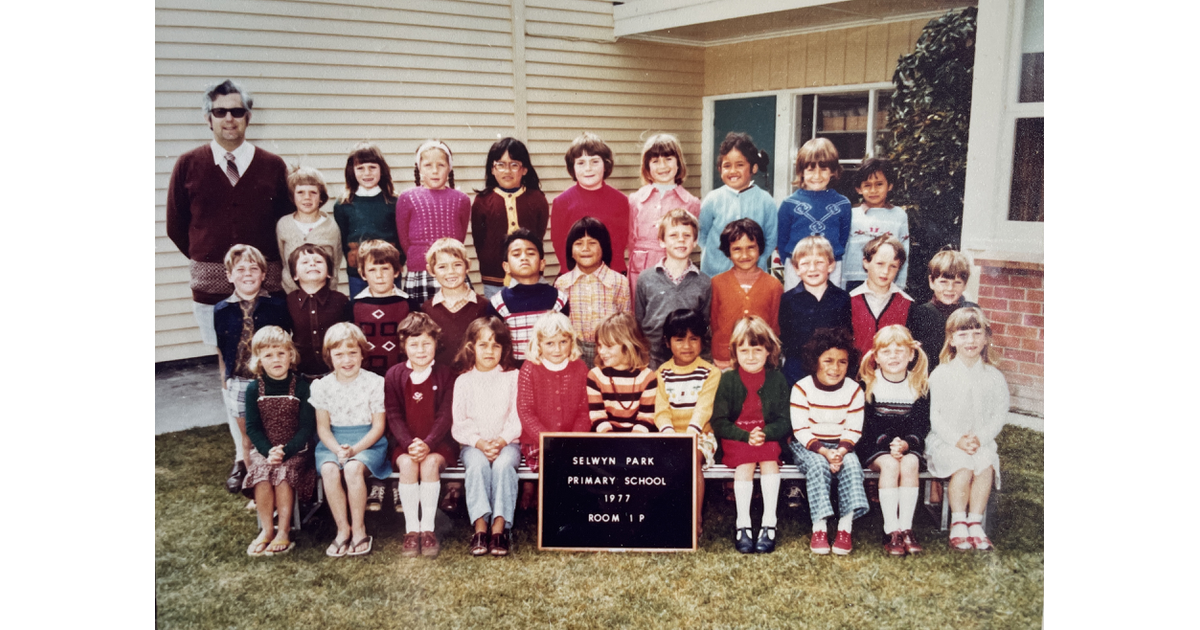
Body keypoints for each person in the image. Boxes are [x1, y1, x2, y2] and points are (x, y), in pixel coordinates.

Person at [167, 79, 291, 350]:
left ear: (248, 117)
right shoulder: (188, 164)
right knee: (225, 357)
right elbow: (175, 225)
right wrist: (208, 258)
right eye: (220, 111)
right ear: (208, 118)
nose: (229, 118)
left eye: (236, 111)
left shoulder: (272, 165)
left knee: (269, 353)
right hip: (209, 284)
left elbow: (287, 222)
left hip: (265, 284)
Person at [925, 307, 1008, 552]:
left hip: (980, 440)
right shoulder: (942, 374)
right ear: (952, 340)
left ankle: (975, 522)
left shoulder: (994, 377)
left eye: (976, 334)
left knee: (985, 463)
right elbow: (936, 417)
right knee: (963, 464)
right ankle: (959, 521)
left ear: (986, 338)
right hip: (946, 441)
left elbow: (999, 415)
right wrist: (957, 440)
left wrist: (980, 438)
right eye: (963, 335)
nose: (970, 341)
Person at [214, 244, 291, 495]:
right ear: (229, 275)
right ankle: (257, 491)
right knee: (248, 438)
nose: (247, 274)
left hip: (271, 380)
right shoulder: (221, 309)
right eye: (240, 269)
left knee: (276, 435)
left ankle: (282, 485)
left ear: (263, 274)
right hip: (238, 381)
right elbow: (222, 348)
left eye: (253, 268)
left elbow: (286, 343)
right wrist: (225, 378)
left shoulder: (277, 306)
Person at [709, 316, 789, 553]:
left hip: (766, 437)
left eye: (757, 349)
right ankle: (742, 524)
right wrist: (745, 436)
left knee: (769, 460)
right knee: (745, 464)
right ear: (734, 352)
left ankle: (769, 522)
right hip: (737, 437)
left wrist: (765, 433)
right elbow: (719, 421)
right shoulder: (728, 379)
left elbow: (784, 420)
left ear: (768, 351)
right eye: (744, 350)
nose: (751, 356)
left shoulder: (777, 379)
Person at [311, 323, 390, 557]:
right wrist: (337, 449)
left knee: (353, 469)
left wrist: (354, 450)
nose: (347, 360)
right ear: (329, 356)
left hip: (367, 442)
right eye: (339, 354)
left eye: (352, 353)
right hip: (333, 442)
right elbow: (323, 428)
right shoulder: (322, 386)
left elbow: (378, 427)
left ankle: (359, 528)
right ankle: (342, 529)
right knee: (329, 470)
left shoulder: (375, 383)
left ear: (362, 354)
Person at [384, 313, 459, 558]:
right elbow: (393, 414)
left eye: (427, 343)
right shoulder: (394, 375)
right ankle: (411, 530)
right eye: (414, 344)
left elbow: (446, 415)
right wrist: (408, 444)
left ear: (436, 343)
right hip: (405, 443)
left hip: (439, 443)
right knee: (407, 464)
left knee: (428, 464)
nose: (420, 350)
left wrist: (428, 443)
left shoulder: (446, 374)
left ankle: (428, 529)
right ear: (403, 345)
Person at [789, 328, 869, 556]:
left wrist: (840, 452)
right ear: (815, 361)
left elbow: (853, 428)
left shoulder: (854, 390)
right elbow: (801, 429)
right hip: (809, 445)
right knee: (818, 465)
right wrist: (825, 452)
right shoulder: (802, 388)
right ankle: (819, 528)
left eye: (842, 362)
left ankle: (845, 527)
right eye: (828, 361)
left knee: (852, 465)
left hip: (842, 445)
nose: (835, 368)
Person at [855, 325, 930, 556]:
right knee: (889, 464)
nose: (894, 356)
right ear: (876, 357)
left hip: (907, 444)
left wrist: (907, 443)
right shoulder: (869, 383)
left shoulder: (918, 384)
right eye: (886, 352)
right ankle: (891, 530)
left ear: (911, 354)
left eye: (900, 351)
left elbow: (921, 424)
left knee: (910, 463)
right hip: (874, 444)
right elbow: (866, 424)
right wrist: (889, 443)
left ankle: (906, 528)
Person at [241, 326, 316, 557]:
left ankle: (283, 530)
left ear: (290, 355)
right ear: (259, 359)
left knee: (283, 475)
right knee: (262, 474)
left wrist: (286, 451)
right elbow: (252, 427)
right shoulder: (254, 389)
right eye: (269, 355)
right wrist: (268, 451)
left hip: (296, 450)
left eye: (281, 353)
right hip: (265, 449)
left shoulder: (301, 386)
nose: (276, 360)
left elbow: (306, 427)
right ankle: (267, 530)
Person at [452, 316, 523, 557]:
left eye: (496, 345)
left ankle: (499, 529)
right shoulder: (463, 381)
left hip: (508, 443)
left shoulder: (513, 377)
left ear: (504, 348)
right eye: (483, 345)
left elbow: (517, 417)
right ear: (471, 347)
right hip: (474, 445)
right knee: (477, 466)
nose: (489, 351)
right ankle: (480, 528)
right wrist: (481, 444)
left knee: (503, 466)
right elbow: (459, 424)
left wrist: (501, 442)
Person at [654, 309, 720, 536]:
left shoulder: (710, 372)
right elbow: (661, 410)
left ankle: (695, 519)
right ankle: (668, 516)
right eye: (679, 339)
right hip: (670, 433)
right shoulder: (662, 373)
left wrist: (690, 433)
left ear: (702, 341)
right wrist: (669, 433)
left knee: (691, 458)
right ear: (667, 342)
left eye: (694, 338)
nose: (687, 345)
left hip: (701, 435)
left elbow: (704, 407)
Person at [516, 313, 592, 510]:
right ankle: (548, 504)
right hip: (538, 441)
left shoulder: (580, 367)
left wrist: (572, 439)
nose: (557, 349)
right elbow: (525, 411)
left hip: (571, 439)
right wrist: (549, 440)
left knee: (575, 462)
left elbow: (584, 412)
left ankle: (567, 506)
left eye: (563, 342)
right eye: (550, 343)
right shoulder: (530, 368)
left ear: (571, 342)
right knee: (554, 462)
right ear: (539, 344)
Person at [470, 138, 549, 299]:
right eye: (501, 164)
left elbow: (538, 236)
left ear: (524, 169)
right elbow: (479, 240)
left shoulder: (537, 199)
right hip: (495, 279)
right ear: (492, 169)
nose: (507, 171)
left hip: (530, 277)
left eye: (514, 165)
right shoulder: (482, 201)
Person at [634, 208, 712, 369]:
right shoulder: (646, 278)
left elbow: (704, 327)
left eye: (687, 235)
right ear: (662, 241)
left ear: (695, 241)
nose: (681, 240)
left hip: (688, 360)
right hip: (653, 359)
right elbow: (639, 322)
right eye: (673, 235)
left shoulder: (704, 282)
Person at [396, 139, 472, 303]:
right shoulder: (407, 198)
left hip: (452, 271)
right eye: (428, 165)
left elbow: (459, 237)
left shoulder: (461, 200)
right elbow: (404, 239)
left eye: (441, 165)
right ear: (419, 168)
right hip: (420, 271)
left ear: (449, 168)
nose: (435, 171)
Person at [553, 217, 631, 366]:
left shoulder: (619, 282)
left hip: (609, 351)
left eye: (592, 243)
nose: (585, 248)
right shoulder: (562, 283)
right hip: (574, 351)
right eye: (579, 243)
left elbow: (625, 323)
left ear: (604, 248)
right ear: (571, 251)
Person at [776, 138, 852, 290]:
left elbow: (842, 239)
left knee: (830, 302)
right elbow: (782, 240)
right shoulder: (789, 204)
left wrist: (832, 260)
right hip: (797, 267)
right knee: (796, 301)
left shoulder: (842, 204)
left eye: (823, 169)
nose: (817, 176)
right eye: (811, 170)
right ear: (801, 172)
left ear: (833, 171)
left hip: (831, 267)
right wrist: (793, 264)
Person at [698, 132, 776, 278]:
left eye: (740, 165)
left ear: (753, 168)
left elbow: (771, 238)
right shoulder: (713, 199)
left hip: (753, 275)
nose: (733, 171)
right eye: (727, 166)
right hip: (715, 274)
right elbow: (702, 235)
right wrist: (715, 259)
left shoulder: (765, 200)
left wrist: (756, 262)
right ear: (720, 169)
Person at [627, 133, 700, 289]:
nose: (662, 166)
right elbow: (631, 241)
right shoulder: (635, 200)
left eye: (668, 159)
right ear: (647, 166)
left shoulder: (690, 202)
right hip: (639, 271)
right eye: (655, 161)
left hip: (674, 269)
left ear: (678, 162)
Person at [550, 132, 630, 274]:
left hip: (612, 274)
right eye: (581, 163)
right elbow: (560, 246)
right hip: (575, 275)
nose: (588, 168)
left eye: (595, 162)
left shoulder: (621, 201)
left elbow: (620, 244)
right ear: (572, 167)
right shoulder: (561, 202)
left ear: (605, 165)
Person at [709, 218, 782, 370]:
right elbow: (714, 323)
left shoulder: (773, 285)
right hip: (725, 359)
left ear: (760, 248)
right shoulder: (716, 283)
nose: (745, 255)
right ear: (728, 252)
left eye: (751, 247)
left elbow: (774, 327)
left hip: (759, 361)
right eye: (737, 249)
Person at [487, 229, 569, 362]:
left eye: (530, 253)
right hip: (515, 371)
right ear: (506, 266)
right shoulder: (498, 303)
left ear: (542, 264)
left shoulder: (559, 300)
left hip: (551, 368)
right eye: (516, 254)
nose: (524, 257)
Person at [778, 235, 851, 386]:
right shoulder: (788, 299)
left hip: (831, 368)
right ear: (796, 268)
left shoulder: (842, 298)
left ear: (831, 265)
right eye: (805, 263)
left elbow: (846, 335)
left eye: (819, 262)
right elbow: (785, 337)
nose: (812, 269)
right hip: (797, 368)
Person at [333, 142, 402, 299]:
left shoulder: (394, 201)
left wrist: (396, 264)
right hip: (358, 275)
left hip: (388, 272)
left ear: (381, 169)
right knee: (361, 309)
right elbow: (343, 239)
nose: (367, 173)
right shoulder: (343, 204)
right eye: (360, 168)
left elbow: (401, 237)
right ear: (352, 171)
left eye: (372, 167)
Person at [419, 238, 491, 369]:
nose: (450, 271)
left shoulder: (484, 306)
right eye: (442, 267)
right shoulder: (426, 310)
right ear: (431, 270)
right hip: (440, 378)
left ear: (467, 266)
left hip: (474, 375)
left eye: (457, 265)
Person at [843, 157, 910, 291]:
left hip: (886, 279)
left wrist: (899, 286)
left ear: (889, 186)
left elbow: (904, 253)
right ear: (859, 189)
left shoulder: (899, 215)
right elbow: (844, 252)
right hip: (854, 280)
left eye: (879, 184)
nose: (873, 190)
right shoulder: (851, 215)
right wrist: (841, 286)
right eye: (867, 185)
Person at [285, 244, 350, 379]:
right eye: (305, 262)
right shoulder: (289, 301)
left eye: (319, 261)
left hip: (335, 374)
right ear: (295, 275)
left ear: (329, 273)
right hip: (300, 375)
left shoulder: (340, 300)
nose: (312, 264)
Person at [906, 249, 978, 369]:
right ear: (931, 281)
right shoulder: (920, 314)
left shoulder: (972, 312)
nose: (950, 288)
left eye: (957, 282)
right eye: (943, 282)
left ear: (965, 285)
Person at [351, 240, 414, 376]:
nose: (379, 275)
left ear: (396, 271)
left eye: (385, 268)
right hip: (365, 377)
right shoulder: (354, 306)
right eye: (372, 270)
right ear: (363, 274)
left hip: (401, 375)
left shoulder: (409, 304)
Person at [849, 235, 913, 368]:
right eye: (880, 264)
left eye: (893, 266)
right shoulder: (849, 301)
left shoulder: (907, 304)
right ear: (866, 262)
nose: (885, 271)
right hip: (857, 375)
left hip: (892, 375)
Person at [275, 166, 342, 295]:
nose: (307, 197)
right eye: (300, 192)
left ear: (321, 197)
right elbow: (284, 258)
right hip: (292, 294)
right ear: (292, 196)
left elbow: (335, 263)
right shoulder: (284, 224)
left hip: (324, 295)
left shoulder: (331, 227)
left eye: (313, 192)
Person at [587, 313, 658, 433]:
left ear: (628, 346)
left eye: (609, 346)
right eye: (599, 345)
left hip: (638, 437)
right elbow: (597, 415)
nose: (602, 351)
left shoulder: (648, 377)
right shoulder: (595, 376)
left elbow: (646, 417)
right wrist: (612, 439)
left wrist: (632, 440)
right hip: (605, 436)